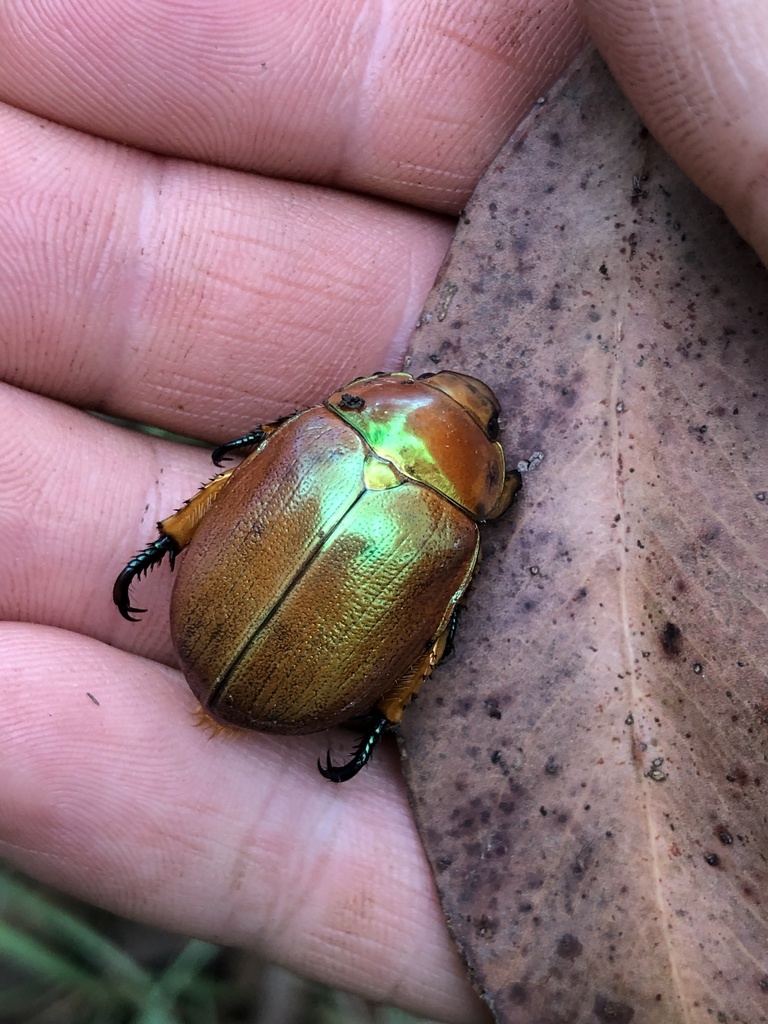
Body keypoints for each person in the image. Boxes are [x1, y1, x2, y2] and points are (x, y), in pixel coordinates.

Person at [0, 1, 762, 1019]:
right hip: (290, 664)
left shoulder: (320, 432)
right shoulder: (448, 524)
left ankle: (183, 552)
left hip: (258, 643)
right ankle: (297, 639)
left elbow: (246, 475)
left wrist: (183, 536)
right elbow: (432, 627)